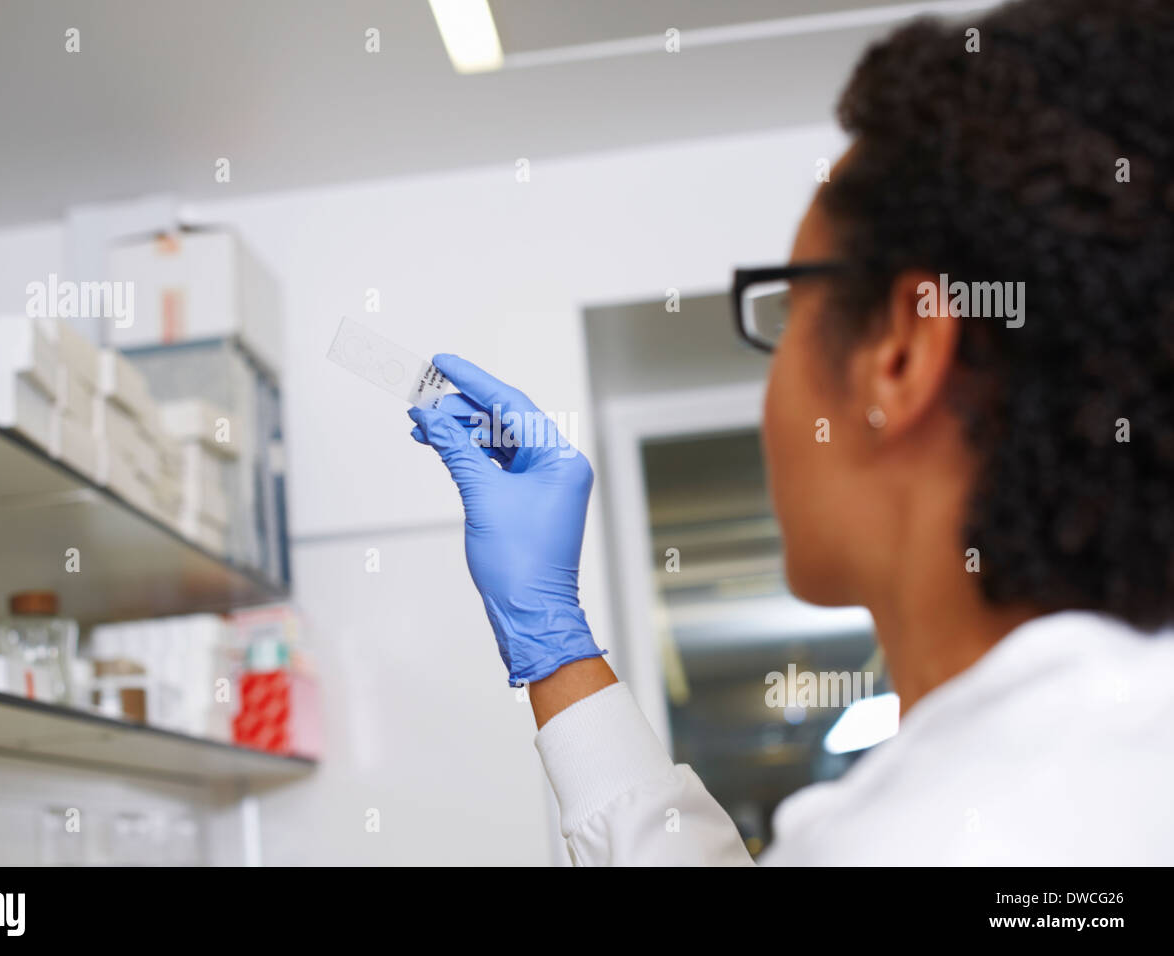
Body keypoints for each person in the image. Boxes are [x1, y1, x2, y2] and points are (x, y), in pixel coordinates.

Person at [408, 0, 1174, 865]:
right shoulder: (1104, 768)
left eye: (788, 311)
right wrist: (554, 644)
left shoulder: (930, 839)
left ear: (900, 354)